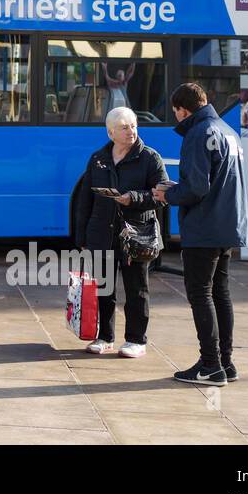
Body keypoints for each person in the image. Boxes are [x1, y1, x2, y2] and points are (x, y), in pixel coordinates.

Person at [153, 83, 248, 387]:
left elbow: (196, 187)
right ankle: (225, 362)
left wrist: (167, 195)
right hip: (228, 224)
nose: (177, 119)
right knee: (221, 294)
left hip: (204, 227)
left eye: (176, 113)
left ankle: (209, 365)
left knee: (201, 294)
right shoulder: (227, 131)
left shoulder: (197, 133)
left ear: (183, 110)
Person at [73, 106, 166, 358]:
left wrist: (132, 198)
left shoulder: (150, 158)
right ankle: (105, 337)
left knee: (136, 289)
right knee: (104, 289)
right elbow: (85, 201)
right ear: (111, 132)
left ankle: (136, 339)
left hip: (136, 236)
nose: (131, 132)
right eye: (125, 128)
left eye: (134, 126)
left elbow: (161, 196)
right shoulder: (98, 159)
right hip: (101, 233)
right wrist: (81, 237)